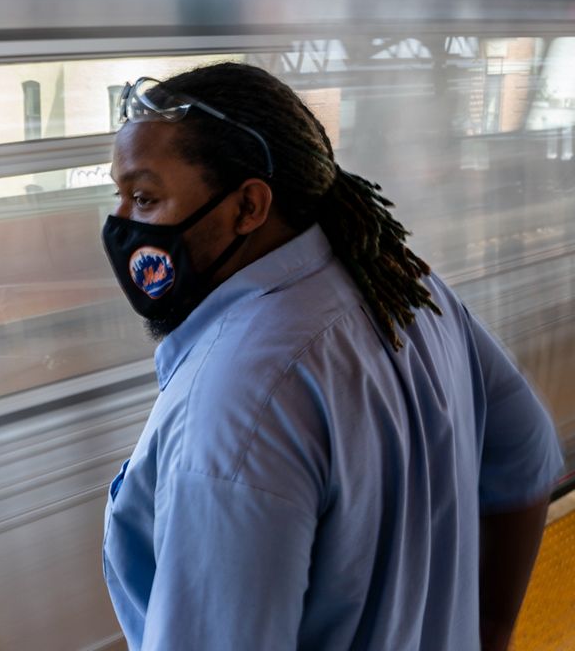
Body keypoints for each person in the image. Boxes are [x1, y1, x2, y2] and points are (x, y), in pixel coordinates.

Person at [100, 62, 565, 651]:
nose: (119, 224)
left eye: (144, 197)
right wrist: (490, 629)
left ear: (248, 206)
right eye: (117, 196)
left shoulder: (233, 406)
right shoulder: (409, 289)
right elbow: (524, 448)